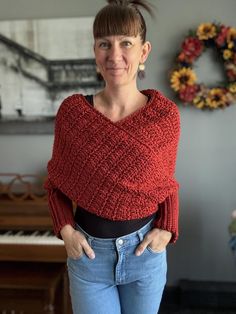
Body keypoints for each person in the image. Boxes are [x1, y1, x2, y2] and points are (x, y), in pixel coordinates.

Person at [44, 1, 181, 313]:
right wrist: (66, 230)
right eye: (104, 43)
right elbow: (55, 185)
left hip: (144, 255)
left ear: (144, 51)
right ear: (95, 51)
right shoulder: (73, 114)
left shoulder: (164, 116)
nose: (114, 55)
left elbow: (166, 184)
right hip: (89, 257)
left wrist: (167, 228)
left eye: (126, 43)